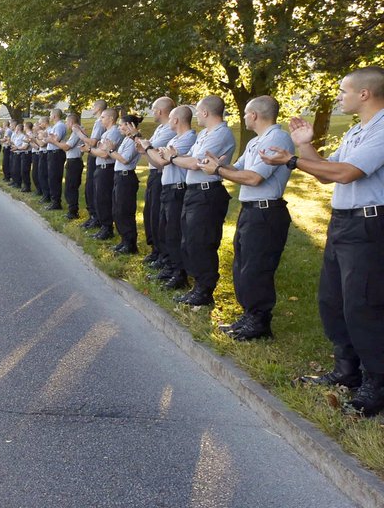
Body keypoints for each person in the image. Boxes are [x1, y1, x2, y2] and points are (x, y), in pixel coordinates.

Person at [261, 66, 384, 416]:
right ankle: (347, 372)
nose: (339, 97)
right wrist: (304, 147)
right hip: (343, 222)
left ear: (364, 94)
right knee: (333, 300)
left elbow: (348, 173)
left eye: (344, 91)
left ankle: (376, 382)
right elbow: (327, 175)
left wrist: (293, 159)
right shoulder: (358, 131)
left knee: (364, 304)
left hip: (368, 226)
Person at [197, 95, 293, 341]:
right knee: (243, 265)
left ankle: (260, 322)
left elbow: (254, 178)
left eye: (246, 113)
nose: (243, 117)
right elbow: (238, 169)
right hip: (251, 210)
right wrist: (217, 164)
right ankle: (249, 316)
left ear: (254, 115)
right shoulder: (255, 142)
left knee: (257, 267)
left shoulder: (277, 138)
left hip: (267, 211)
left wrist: (218, 170)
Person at [164, 96, 236, 306]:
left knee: (202, 241)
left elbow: (196, 163)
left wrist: (172, 158)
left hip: (207, 193)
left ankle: (205, 290)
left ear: (205, 112)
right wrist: (181, 159)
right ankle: (197, 285)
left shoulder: (221, 134)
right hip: (194, 191)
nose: (196, 116)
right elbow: (190, 159)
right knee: (190, 241)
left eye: (198, 112)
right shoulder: (205, 133)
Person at [145, 106, 198, 290]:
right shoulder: (175, 139)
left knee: (175, 232)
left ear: (176, 120)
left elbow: (162, 160)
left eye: (171, 118)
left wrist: (149, 148)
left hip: (178, 189)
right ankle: (171, 267)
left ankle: (179, 274)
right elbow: (157, 163)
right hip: (167, 187)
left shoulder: (189, 137)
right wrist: (149, 151)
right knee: (166, 230)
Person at [137, 98, 178, 266]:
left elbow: (153, 149)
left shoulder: (169, 129)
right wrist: (145, 148)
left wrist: (145, 146)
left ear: (160, 111)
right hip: (154, 172)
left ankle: (162, 253)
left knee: (157, 214)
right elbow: (147, 150)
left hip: (161, 175)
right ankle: (156, 250)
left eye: (154, 109)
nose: (152, 112)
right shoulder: (160, 128)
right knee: (150, 213)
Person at [105, 114, 144, 254]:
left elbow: (125, 159)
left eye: (121, 125)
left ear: (129, 125)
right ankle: (124, 241)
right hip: (119, 177)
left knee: (124, 211)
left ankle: (130, 244)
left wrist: (110, 150)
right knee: (117, 211)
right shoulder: (126, 139)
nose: (119, 127)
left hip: (126, 178)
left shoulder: (135, 139)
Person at [84, 109, 121, 240]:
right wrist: (96, 150)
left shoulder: (115, 132)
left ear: (111, 118)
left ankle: (107, 228)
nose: (101, 119)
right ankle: (103, 226)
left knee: (104, 198)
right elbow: (100, 150)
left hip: (107, 168)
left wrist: (89, 149)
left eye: (103, 117)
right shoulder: (106, 132)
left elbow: (105, 154)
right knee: (98, 198)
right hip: (100, 167)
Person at [48, 114, 85, 219]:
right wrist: (58, 141)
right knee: (69, 187)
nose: (66, 124)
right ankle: (71, 210)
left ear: (71, 122)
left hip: (74, 162)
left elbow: (67, 147)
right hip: (72, 161)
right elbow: (67, 144)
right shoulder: (76, 131)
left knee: (71, 187)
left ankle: (73, 212)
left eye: (67, 122)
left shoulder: (77, 132)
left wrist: (54, 141)